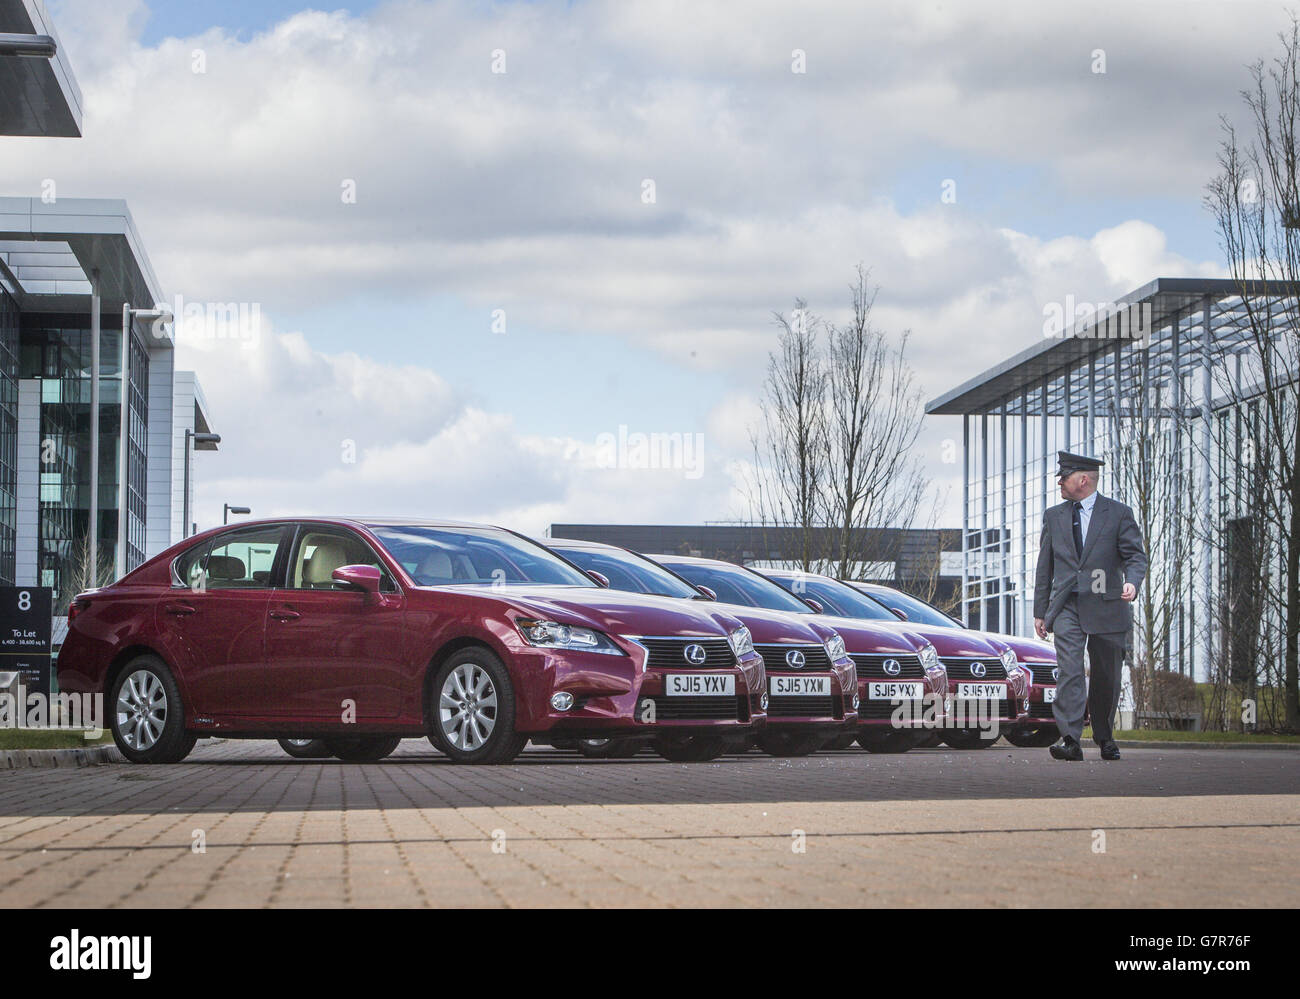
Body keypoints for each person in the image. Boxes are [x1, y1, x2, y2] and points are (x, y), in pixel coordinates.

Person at [1033, 451, 1147, 761]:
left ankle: (1105, 736)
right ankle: (1070, 739)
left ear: (1083, 480)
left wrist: (1132, 583)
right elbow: (1045, 566)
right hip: (1068, 604)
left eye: (1064, 476)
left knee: (1106, 676)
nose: (1059, 481)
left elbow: (1135, 556)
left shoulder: (1118, 514)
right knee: (1069, 670)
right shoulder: (1054, 516)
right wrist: (1040, 610)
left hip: (1108, 606)